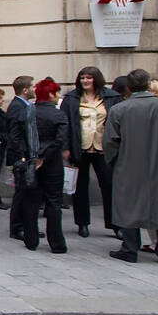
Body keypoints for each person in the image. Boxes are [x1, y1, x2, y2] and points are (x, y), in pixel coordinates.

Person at [105, 69, 158, 265]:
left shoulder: (119, 109)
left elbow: (110, 142)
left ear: (129, 87)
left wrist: (114, 162)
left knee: (128, 205)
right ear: (149, 84)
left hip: (128, 164)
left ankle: (130, 249)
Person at [60, 66, 121, 238]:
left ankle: (115, 224)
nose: (85, 81)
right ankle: (82, 223)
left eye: (89, 78)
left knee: (109, 184)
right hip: (80, 147)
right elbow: (64, 123)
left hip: (103, 147)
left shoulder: (112, 97)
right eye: (82, 78)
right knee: (80, 186)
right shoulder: (72, 98)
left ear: (96, 79)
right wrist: (65, 147)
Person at [14, 78, 69, 253]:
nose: (58, 96)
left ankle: (31, 240)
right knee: (54, 202)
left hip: (30, 162)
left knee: (31, 201)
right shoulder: (58, 114)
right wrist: (44, 157)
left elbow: (16, 138)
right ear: (51, 94)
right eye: (57, 93)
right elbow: (60, 140)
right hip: (52, 163)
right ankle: (56, 242)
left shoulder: (26, 112)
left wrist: (26, 156)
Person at [6, 76, 36, 239]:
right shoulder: (18, 107)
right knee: (21, 193)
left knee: (25, 192)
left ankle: (25, 225)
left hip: (23, 154)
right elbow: (15, 135)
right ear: (25, 90)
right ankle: (17, 227)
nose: (34, 89)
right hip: (21, 157)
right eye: (33, 86)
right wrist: (21, 156)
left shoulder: (23, 105)